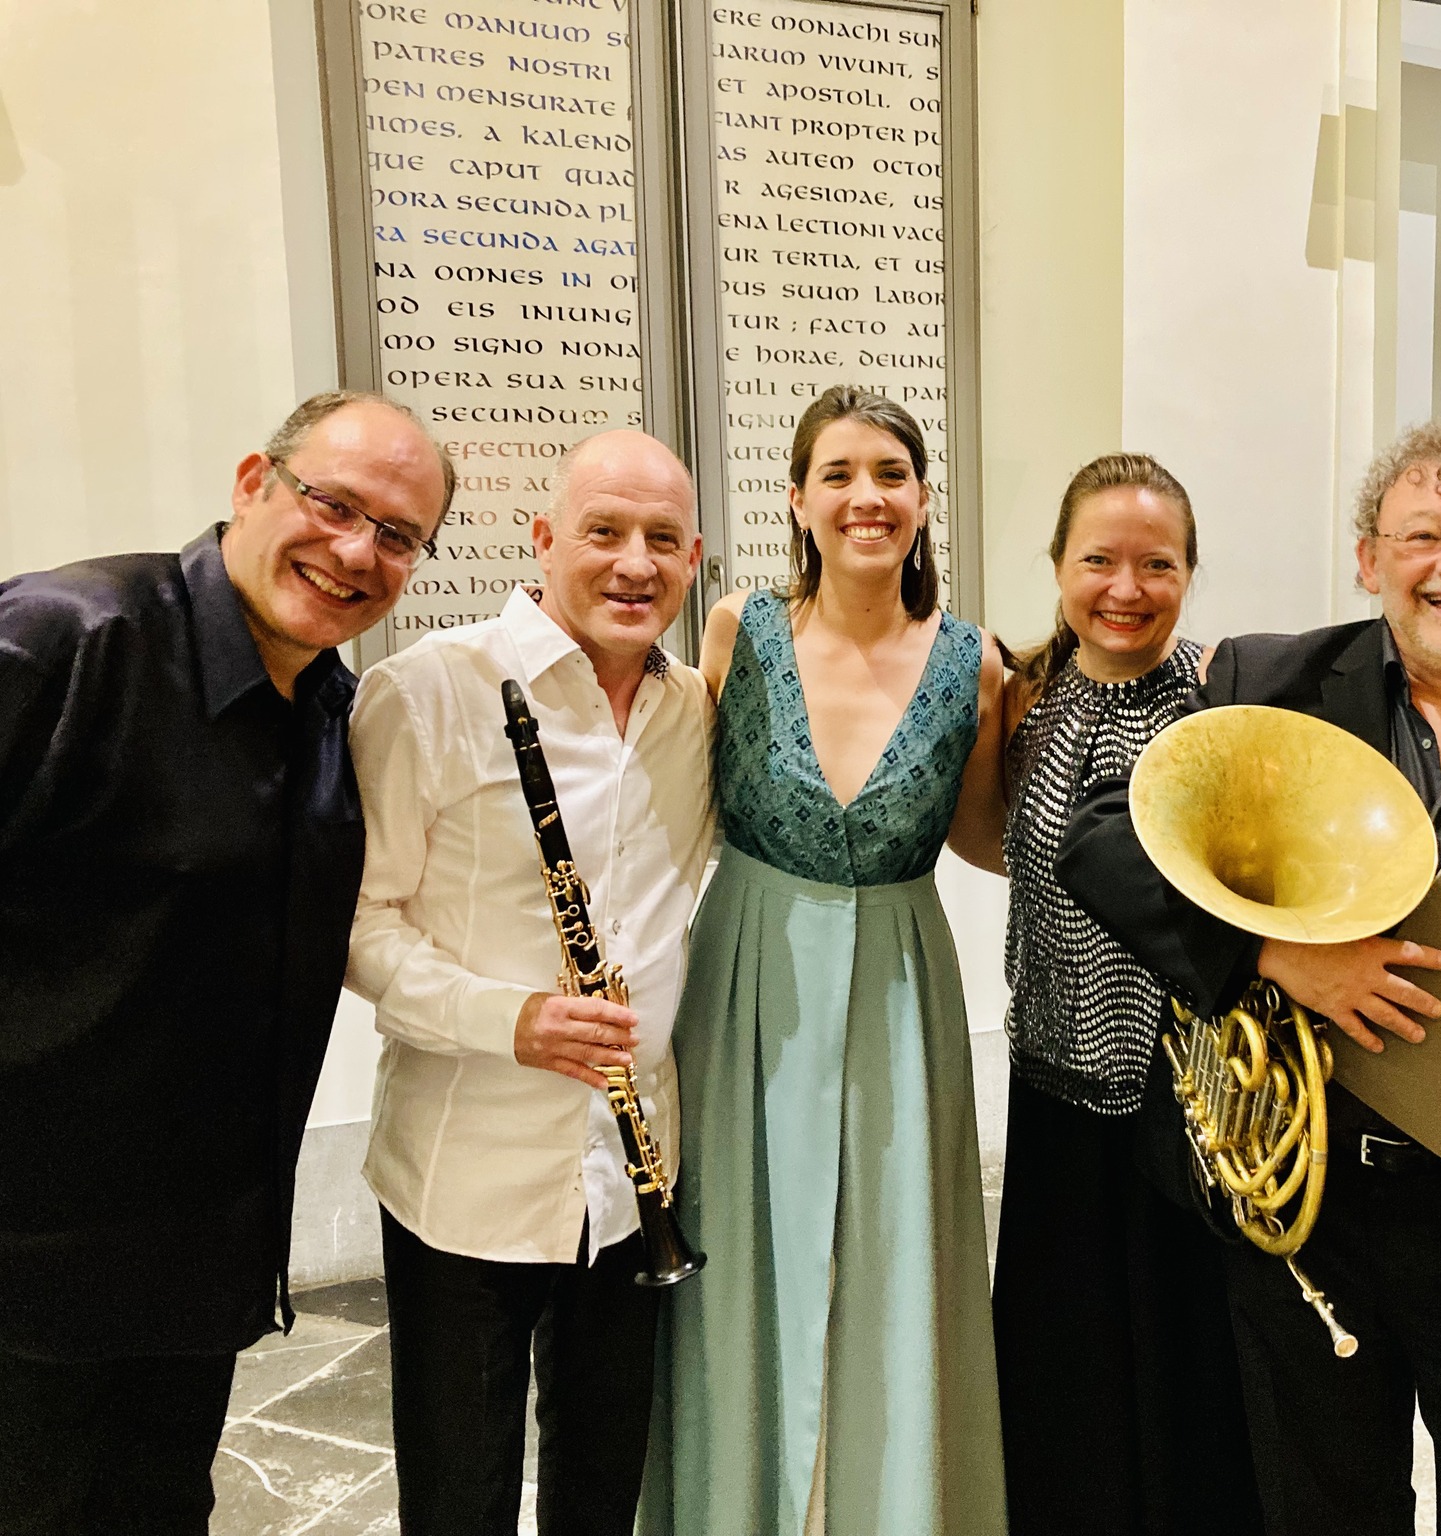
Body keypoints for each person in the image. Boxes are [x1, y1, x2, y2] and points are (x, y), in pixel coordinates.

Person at [1056, 413, 1441, 1536]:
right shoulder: (1268, 681)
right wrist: (1273, 953)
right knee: (1321, 1513)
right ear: (1366, 559)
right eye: (1420, 535)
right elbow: (1103, 837)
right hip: (1314, 1211)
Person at [0, 391, 451, 1535]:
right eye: (333, 505)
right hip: (26, 1279)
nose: (356, 552)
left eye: (397, 536)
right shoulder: (66, 640)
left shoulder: (331, 711)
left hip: (190, 1269)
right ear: (255, 482)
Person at [639, 386, 1008, 1536]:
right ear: (796, 499)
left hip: (902, 980)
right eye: (838, 473)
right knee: (741, 1254)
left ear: (922, 498)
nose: (866, 496)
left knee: (899, 1260)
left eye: (890, 473)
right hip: (747, 974)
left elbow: (990, 835)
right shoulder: (733, 630)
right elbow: (671, 802)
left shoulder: (973, 662)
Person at [346, 430, 715, 1535]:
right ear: (544, 537)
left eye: (661, 539)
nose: (632, 564)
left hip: (631, 1174)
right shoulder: (425, 692)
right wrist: (504, 1020)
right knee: (459, 1497)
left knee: (602, 1490)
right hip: (466, 1177)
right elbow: (357, 923)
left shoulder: (693, 710)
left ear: (694, 557)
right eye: (602, 532)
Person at [966, 454, 1262, 1535]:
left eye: (1156, 563)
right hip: (1049, 1069)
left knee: (1185, 1350)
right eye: (1098, 560)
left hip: (1186, 1091)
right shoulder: (1022, 694)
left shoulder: (1223, 690)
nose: (1125, 588)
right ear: (1056, 566)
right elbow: (996, 842)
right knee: (1067, 1348)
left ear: (1188, 572)